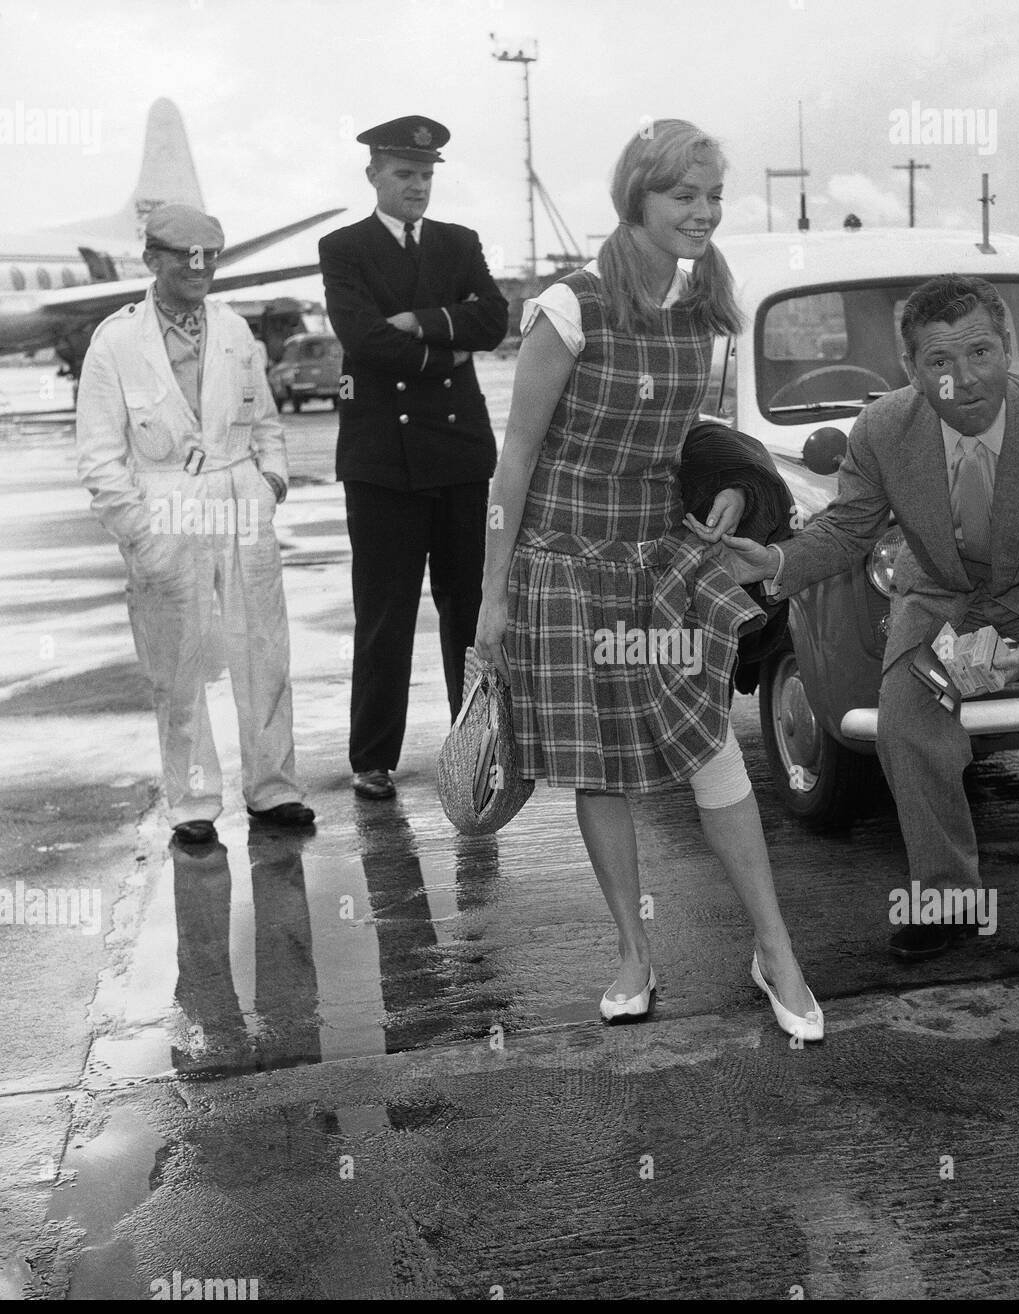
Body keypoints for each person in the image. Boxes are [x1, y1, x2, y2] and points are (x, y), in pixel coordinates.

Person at [474, 119, 822, 1041]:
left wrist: (737, 495)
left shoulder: (703, 308)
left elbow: (688, 443)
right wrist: (492, 597)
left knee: (708, 745)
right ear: (638, 196)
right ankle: (632, 950)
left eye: (712, 195)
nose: (703, 213)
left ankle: (775, 950)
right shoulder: (569, 308)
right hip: (562, 565)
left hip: (658, 560)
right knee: (600, 767)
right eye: (684, 195)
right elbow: (513, 465)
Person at [724, 274, 1019, 1003]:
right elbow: (848, 529)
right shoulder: (882, 430)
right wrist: (779, 563)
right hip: (943, 594)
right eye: (939, 361)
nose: (964, 377)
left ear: (1007, 347)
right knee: (906, 723)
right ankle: (950, 901)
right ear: (911, 371)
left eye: (981, 351)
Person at [76, 203, 314, 846]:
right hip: (164, 505)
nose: (200, 267)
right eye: (184, 255)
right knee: (176, 663)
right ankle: (192, 801)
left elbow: (266, 425)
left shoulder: (236, 331)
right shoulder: (116, 342)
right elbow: (99, 454)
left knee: (264, 649)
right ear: (152, 260)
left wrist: (269, 486)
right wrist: (139, 530)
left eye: (210, 254)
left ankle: (273, 790)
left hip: (240, 499)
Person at [320, 114, 509, 801]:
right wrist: (449, 347)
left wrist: (419, 322)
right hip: (381, 463)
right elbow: (362, 339)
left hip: (458, 455)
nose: (417, 187)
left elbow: (496, 318)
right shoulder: (343, 247)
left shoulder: (459, 243)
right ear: (373, 174)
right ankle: (373, 757)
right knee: (385, 612)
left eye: (426, 176)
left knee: (467, 609)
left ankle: (476, 746)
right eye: (404, 174)